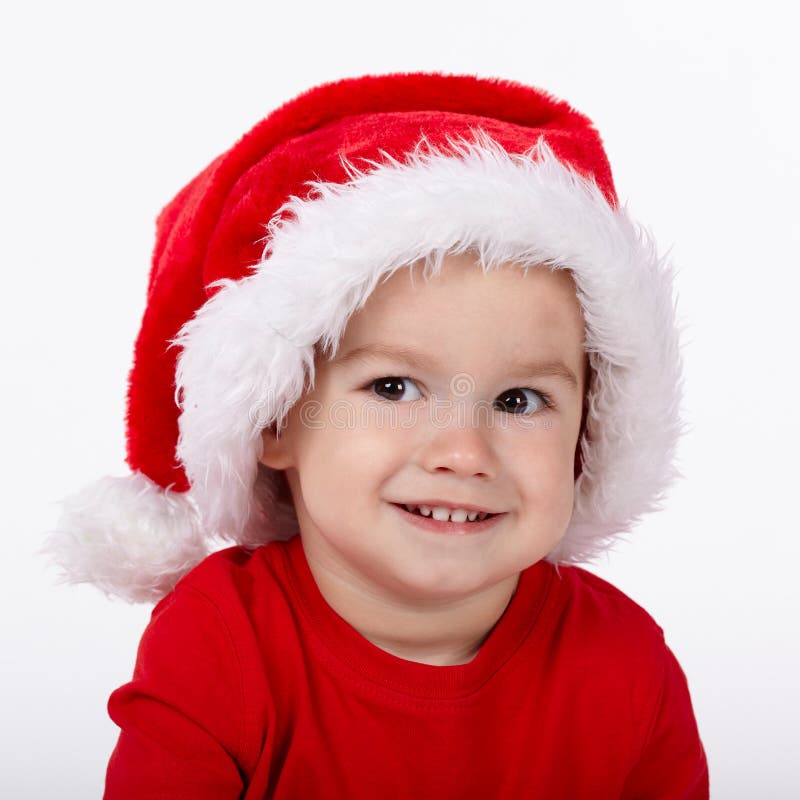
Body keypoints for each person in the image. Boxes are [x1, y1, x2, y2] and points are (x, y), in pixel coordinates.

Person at [40, 72, 710, 797]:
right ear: (273, 418)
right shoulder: (218, 642)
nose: (462, 453)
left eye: (519, 399)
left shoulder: (624, 664)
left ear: (590, 431)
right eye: (393, 387)